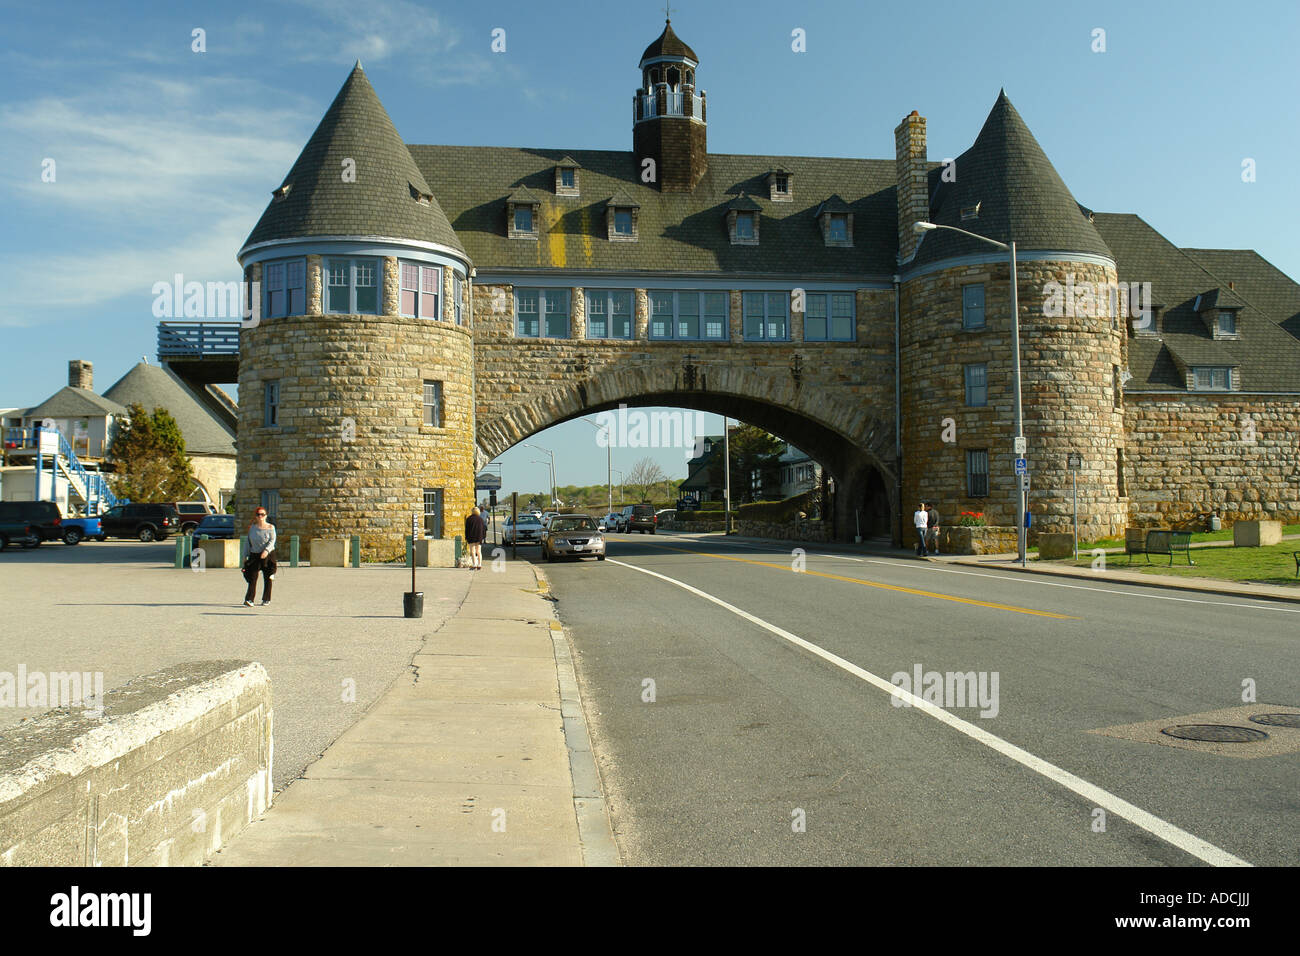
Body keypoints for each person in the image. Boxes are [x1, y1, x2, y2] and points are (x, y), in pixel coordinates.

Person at [243, 507, 277, 606]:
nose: (260, 516)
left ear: (266, 516)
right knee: (252, 578)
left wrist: (266, 551)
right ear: (256, 516)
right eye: (258, 514)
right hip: (255, 554)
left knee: (268, 577)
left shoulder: (271, 527)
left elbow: (272, 541)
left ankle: (266, 599)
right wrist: (245, 556)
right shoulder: (252, 528)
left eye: (262, 514)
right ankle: (249, 599)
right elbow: (248, 542)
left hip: (268, 555)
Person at [463, 506, 487, 570]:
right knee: (478, 551)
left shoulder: (469, 519)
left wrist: (466, 537)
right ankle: (479, 564)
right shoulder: (480, 519)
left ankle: (474, 564)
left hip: (471, 537)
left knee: (472, 551)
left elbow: (467, 529)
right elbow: (483, 529)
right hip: (479, 537)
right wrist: (483, 536)